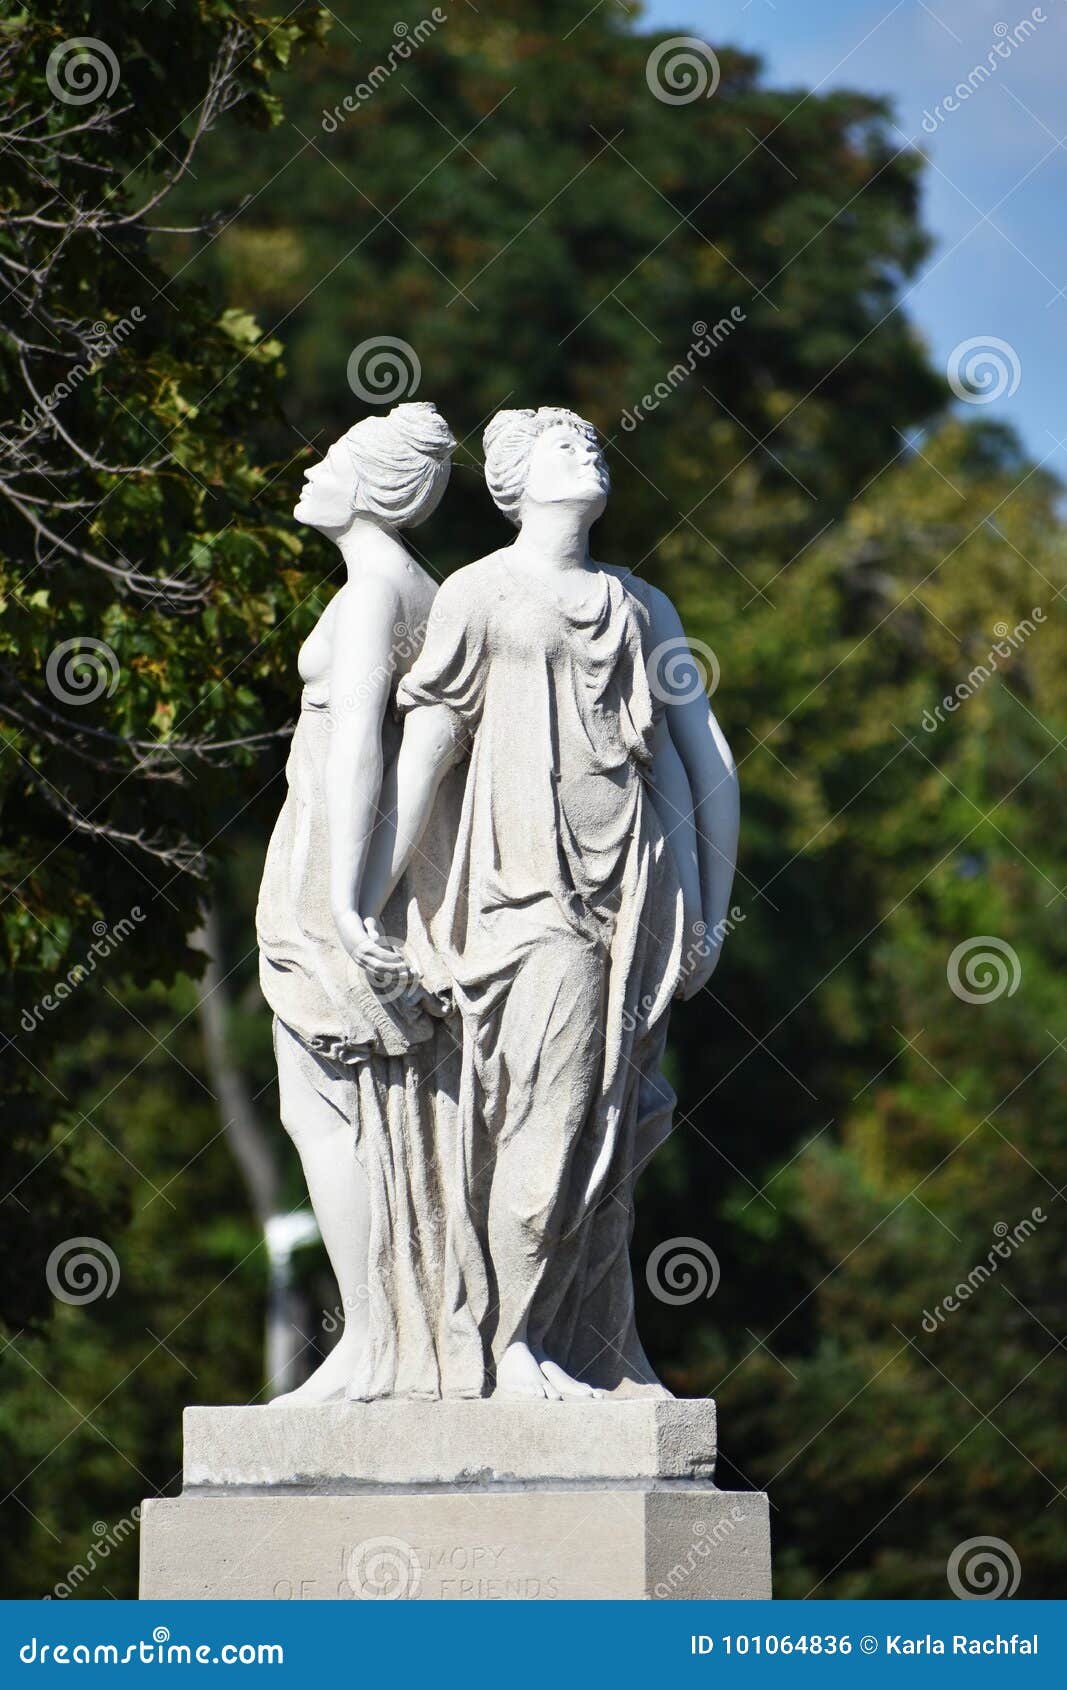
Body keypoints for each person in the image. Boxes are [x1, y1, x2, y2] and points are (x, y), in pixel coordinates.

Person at [361, 407, 739, 1398]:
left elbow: (704, 769)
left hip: (637, 898)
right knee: (555, 1108)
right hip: (527, 898)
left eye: (595, 445)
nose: (591, 454)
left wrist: (705, 907)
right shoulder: (481, 593)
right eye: (567, 445)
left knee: (608, 1129)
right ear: (515, 478)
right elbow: (429, 750)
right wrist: (366, 895)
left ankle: (579, 1340)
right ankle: (506, 1342)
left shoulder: (640, 603)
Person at [256, 401, 485, 1403]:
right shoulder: (417, 586)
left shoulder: (370, 593)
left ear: (377, 485)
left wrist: (349, 901)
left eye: (334, 459)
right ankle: (388, 1331)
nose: (311, 471)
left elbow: (360, 747)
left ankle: (370, 1341)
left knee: (321, 1110)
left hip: (333, 864)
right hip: (364, 865)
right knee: (369, 1117)